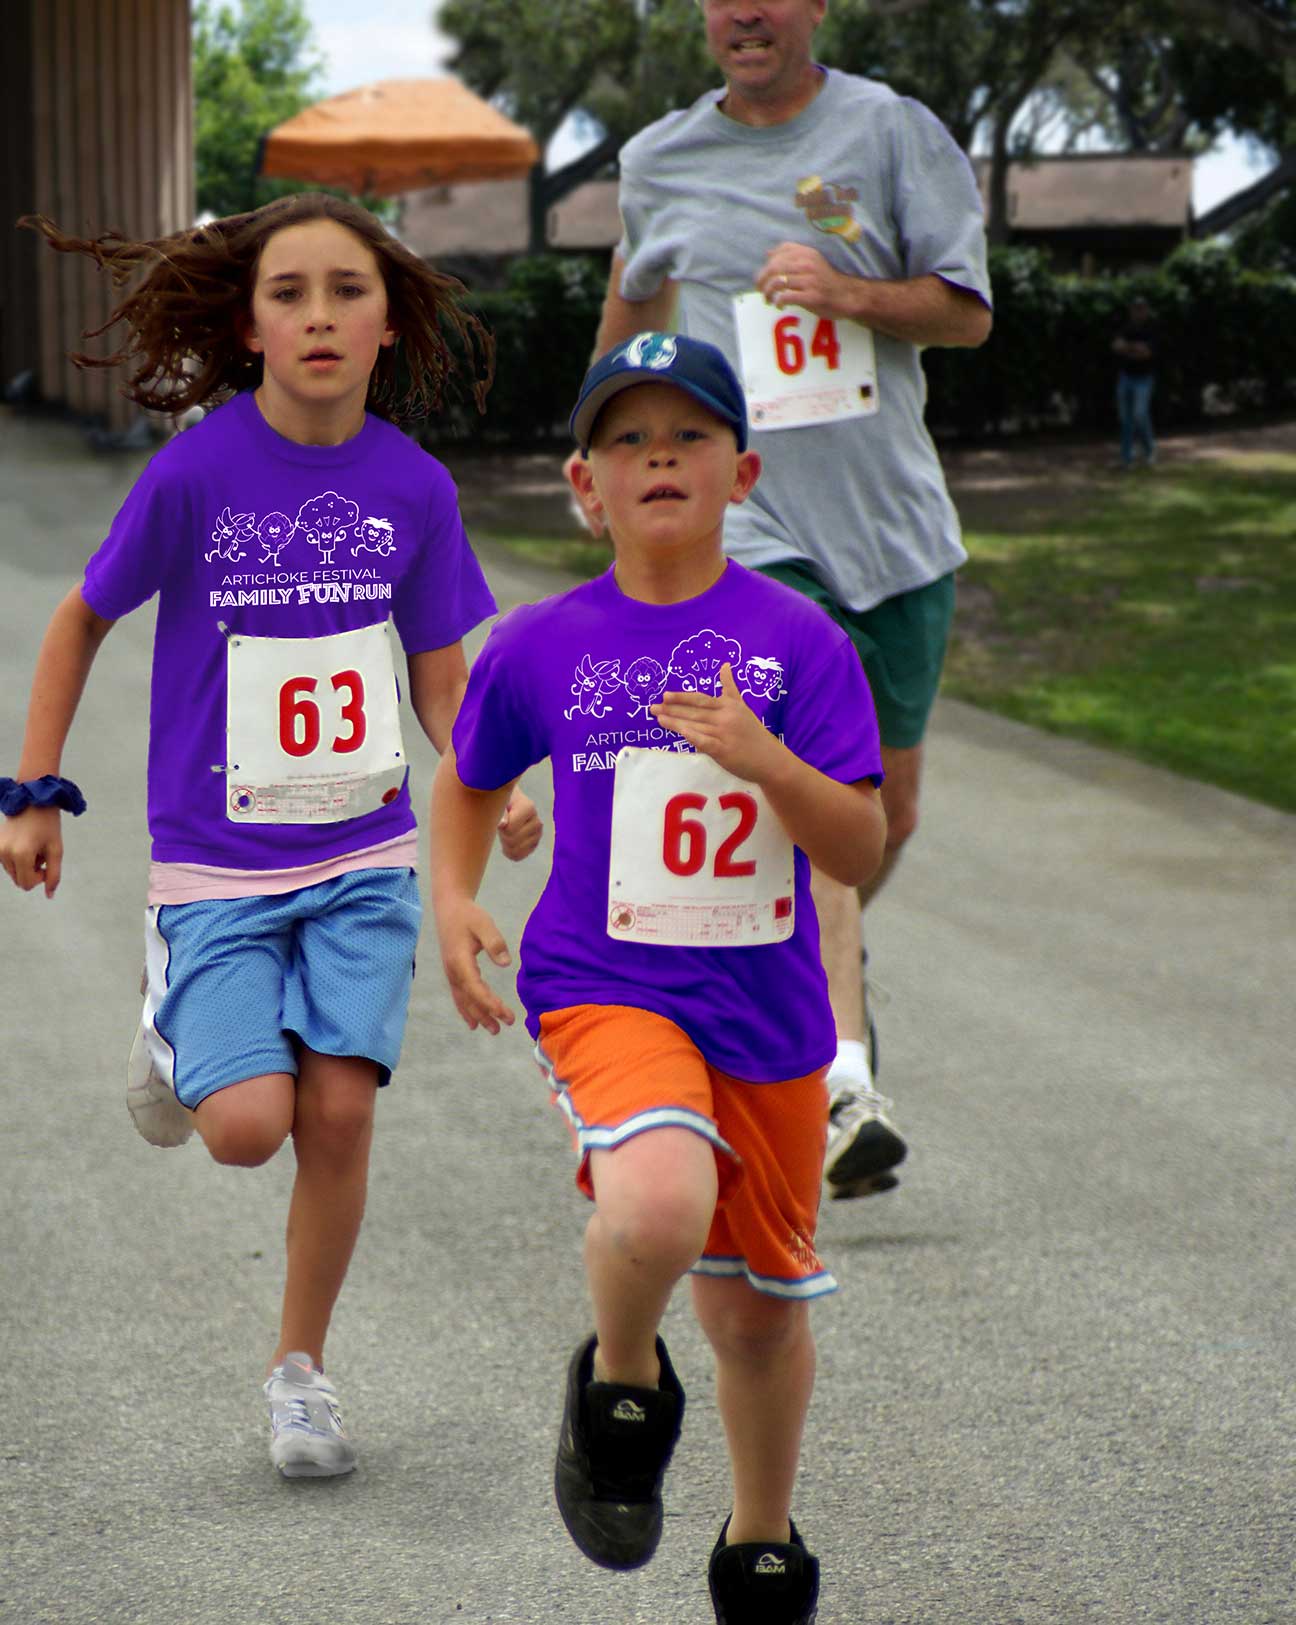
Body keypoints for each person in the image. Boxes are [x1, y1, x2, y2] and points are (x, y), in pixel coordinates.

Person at [0, 193, 540, 1478]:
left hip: (363, 859)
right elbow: (81, 618)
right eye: (288, 292)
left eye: (347, 291)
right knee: (248, 1125)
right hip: (216, 865)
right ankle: (175, 1020)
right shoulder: (194, 471)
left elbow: (439, 676)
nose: (318, 316)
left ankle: (300, 1372)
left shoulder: (412, 486)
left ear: (386, 320)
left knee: (339, 1113)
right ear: (246, 326)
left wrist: (490, 775)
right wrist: (30, 787)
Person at [431, 331, 887, 1624]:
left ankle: (759, 1542)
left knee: (753, 1314)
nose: (659, 459)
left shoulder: (799, 646)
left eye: (687, 436)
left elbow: (854, 842)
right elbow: (469, 778)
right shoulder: (544, 645)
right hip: (604, 987)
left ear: (742, 472)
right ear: (586, 485)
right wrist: (455, 900)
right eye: (627, 440)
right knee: (654, 1207)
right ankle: (622, 1379)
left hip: (767, 1017)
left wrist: (768, 763)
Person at [568, 0, 992, 1201]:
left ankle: (796, 985)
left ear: (816, 6)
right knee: (819, 778)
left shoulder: (892, 131)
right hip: (749, 526)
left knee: (882, 816)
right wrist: (595, 448)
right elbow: (635, 307)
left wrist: (848, 293)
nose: (744, 11)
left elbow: (964, 309)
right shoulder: (658, 159)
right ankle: (836, 1078)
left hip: (896, 535)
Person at [1112, 296, 1157, 469]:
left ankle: (1149, 449)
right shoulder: (1125, 328)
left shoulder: (1152, 328)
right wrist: (1135, 348)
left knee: (1139, 415)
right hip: (1126, 377)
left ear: (1146, 310)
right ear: (1131, 311)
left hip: (1144, 379)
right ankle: (1126, 457)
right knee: (1126, 419)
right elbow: (1116, 346)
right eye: (1135, 308)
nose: (1139, 312)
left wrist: (1127, 348)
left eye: (1142, 308)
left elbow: (1147, 353)